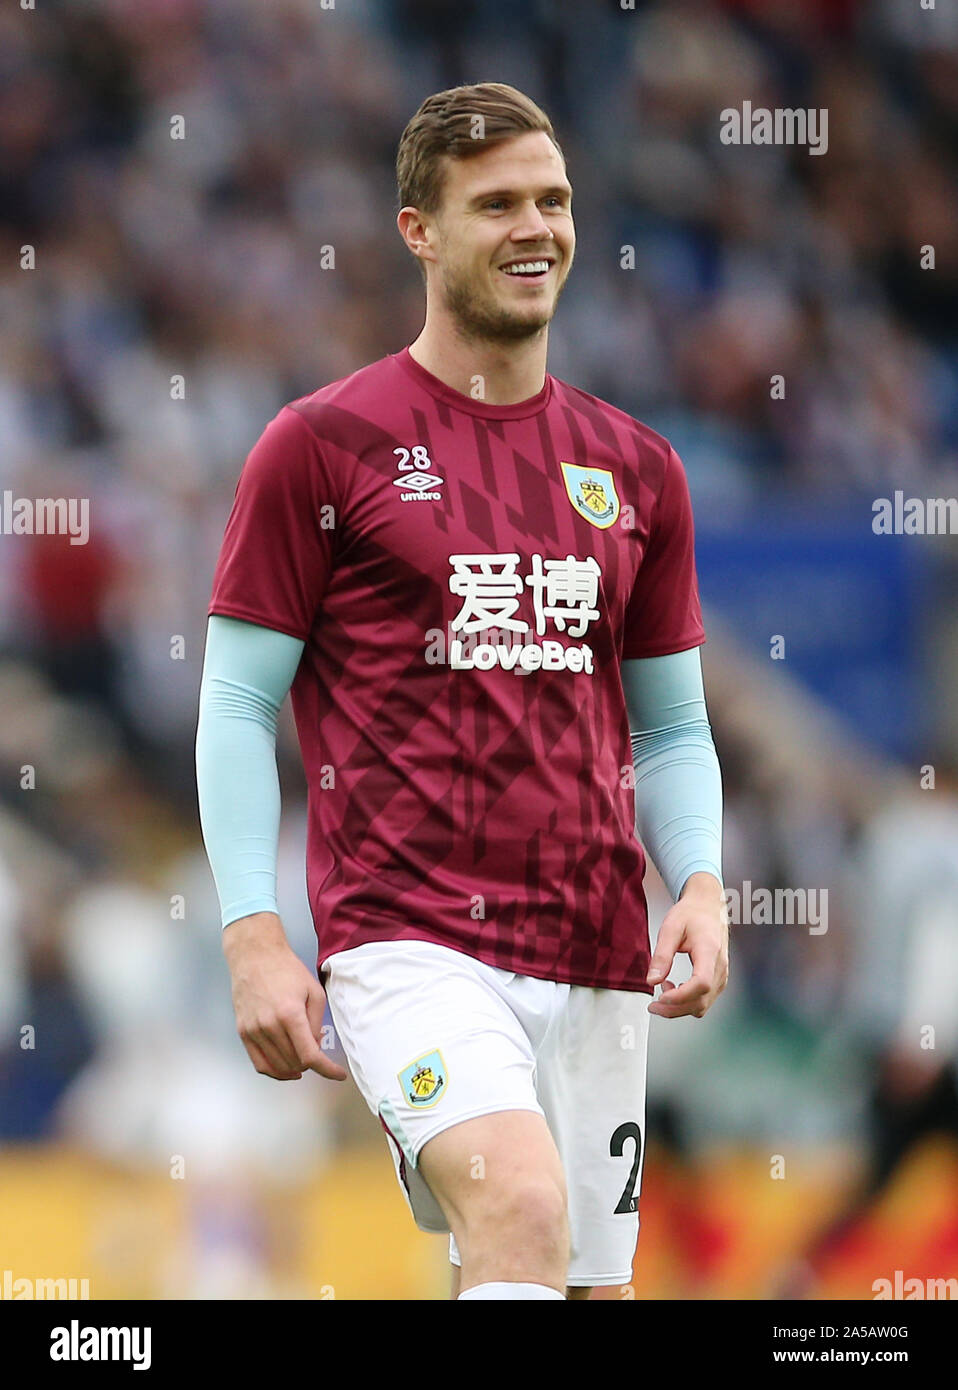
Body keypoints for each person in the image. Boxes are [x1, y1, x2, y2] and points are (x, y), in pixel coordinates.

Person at [195, 82, 727, 1302]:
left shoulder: (636, 467)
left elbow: (675, 723)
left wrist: (694, 878)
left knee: (571, 1281)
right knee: (520, 1203)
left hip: (597, 945)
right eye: (496, 204)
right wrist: (250, 932)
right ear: (418, 230)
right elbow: (234, 705)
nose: (535, 226)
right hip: (412, 935)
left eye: (552, 199)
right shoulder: (323, 446)